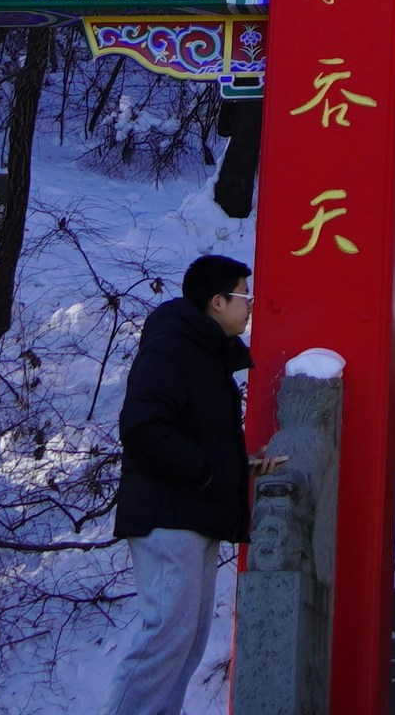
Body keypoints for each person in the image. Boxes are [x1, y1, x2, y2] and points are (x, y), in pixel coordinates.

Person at [106, 253, 254, 715]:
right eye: (245, 296)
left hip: (194, 511)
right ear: (217, 301)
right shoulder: (172, 347)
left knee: (186, 641)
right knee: (165, 636)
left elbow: (198, 434)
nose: (251, 307)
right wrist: (207, 471)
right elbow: (143, 427)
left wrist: (241, 466)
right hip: (168, 514)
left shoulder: (204, 352)